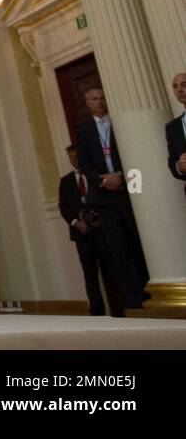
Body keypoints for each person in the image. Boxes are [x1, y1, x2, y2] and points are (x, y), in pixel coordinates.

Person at [73, 86, 149, 313]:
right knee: (119, 250)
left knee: (140, 243)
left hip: (129, 192)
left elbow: (136, 150)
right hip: (104, 198)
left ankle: (150, 291)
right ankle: (133, 299)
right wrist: (102, 181)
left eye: (102, 97)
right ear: (87, 102)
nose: (100, 102)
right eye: (94, 99)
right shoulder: (84, 131)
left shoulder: (120, 122)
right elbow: (84, 163)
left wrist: (121, 176)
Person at [58, 144, 117, 315]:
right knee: (89, 274)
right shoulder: (66, 181)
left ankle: (118, 307)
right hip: (81, 234)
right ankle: (97, 310)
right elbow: (63, 207)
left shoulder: (94, 175)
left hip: (102, 231)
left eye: (76, 156)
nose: (74, 160)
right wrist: (77, 222)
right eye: (70, 157)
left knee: (110, 269)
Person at [165, 71, 186, 194]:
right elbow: (172, 161)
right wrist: (180, 166)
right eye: (175, 86)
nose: (179, 90)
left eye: (184, 85)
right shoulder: (172, 127)